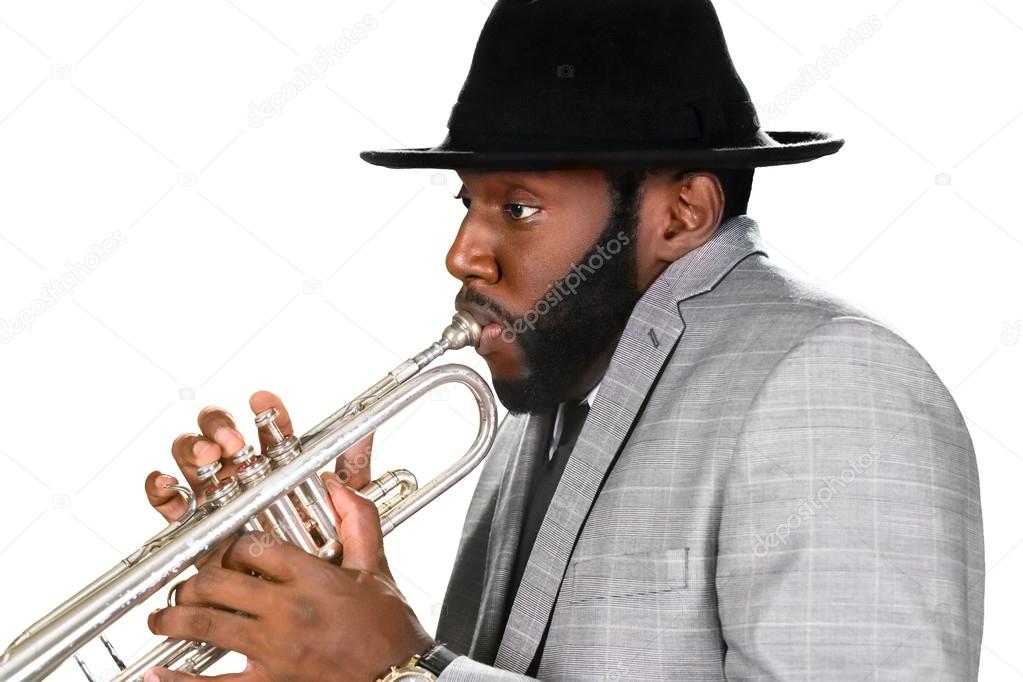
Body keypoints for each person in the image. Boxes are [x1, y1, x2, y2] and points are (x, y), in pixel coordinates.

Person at [142, 1, 985, 680]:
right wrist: (328, 611)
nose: (462, 252)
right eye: (464, 202)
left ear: (681, 213)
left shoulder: (835, 379)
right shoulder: (554, 396)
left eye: (518, 206)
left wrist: (404, 671)